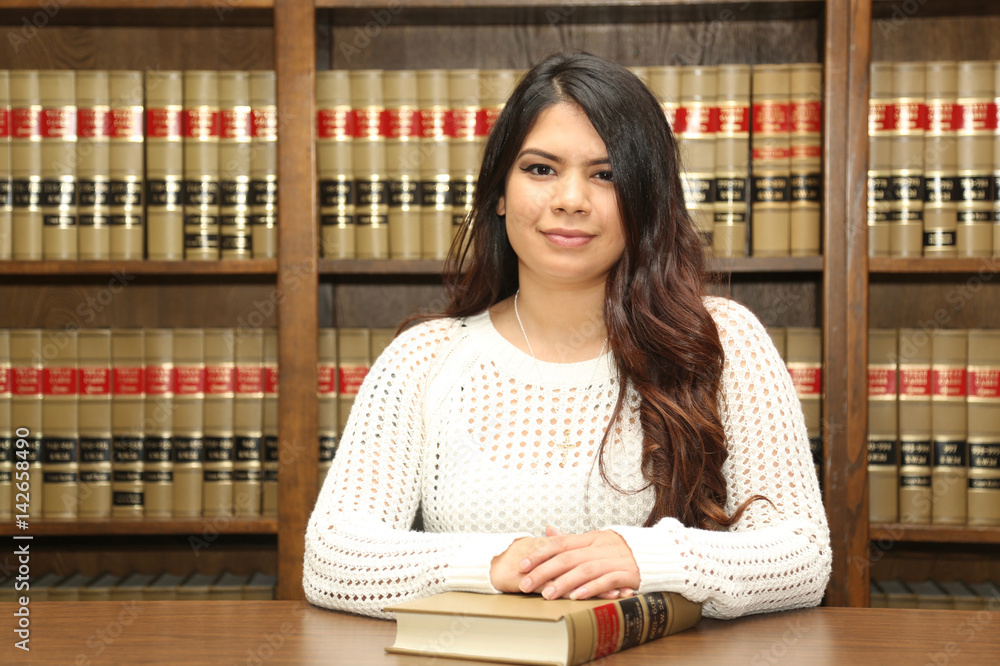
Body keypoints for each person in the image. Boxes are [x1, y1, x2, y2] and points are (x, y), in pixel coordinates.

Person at [303, 52, 831, 620]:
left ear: (646, 201)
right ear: (499, 194)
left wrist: (645, 556)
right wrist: (496, 564)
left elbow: (801, 556)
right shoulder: (424, 360)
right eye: (540, 169)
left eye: (605, 175)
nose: (571, 200)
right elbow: (333, 557)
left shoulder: (723, 339)